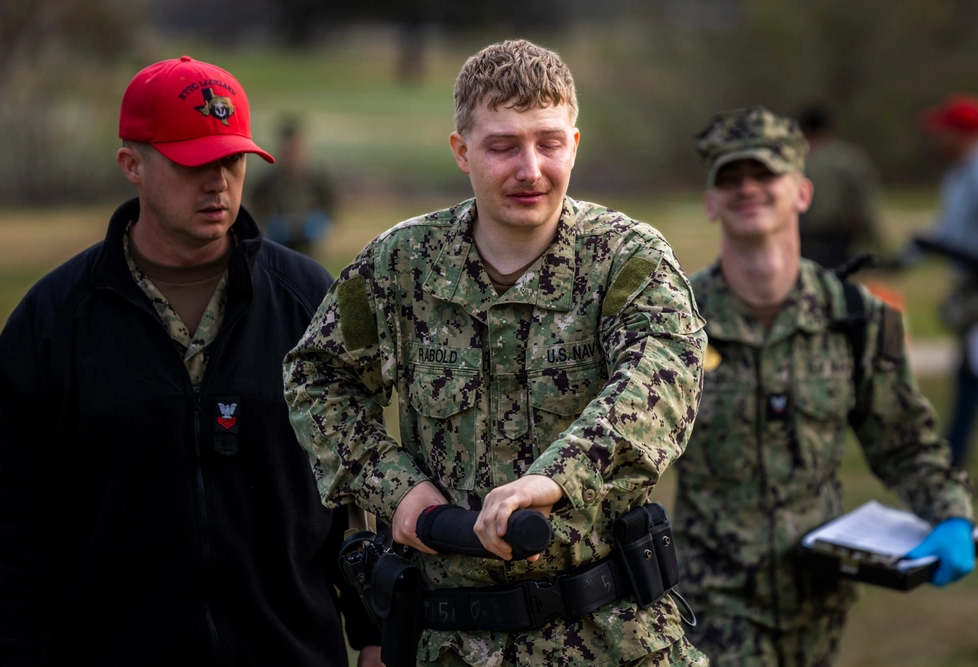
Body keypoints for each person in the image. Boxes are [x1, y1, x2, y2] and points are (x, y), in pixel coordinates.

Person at [284, 39, 709, 667]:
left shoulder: (628, 260)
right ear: (461, 151)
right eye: (503, 145)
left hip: (610, 637)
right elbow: (317, 379)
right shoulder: (401, 265)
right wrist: (395, 489)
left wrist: (555, 479)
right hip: (450, 640)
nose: (530, 169)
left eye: (549, 142)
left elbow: (661, 378)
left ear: (575, 143)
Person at [0, 56, 380, 666]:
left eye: (232, 159)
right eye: (193, 161)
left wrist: (377, 637)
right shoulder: (52, 323)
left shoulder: (309, 301)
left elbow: (359, 490)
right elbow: (4, 528)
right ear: (132, 165)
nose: (218, 181)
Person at [674, 106, 975, 666]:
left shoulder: (856, 318)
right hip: (710, 603)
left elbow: (905, 442)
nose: (748, 190)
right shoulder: (676, 322)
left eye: (765, 176)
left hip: (820, 601)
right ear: (711, 203)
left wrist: (952, 513)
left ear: (803, 193)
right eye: (730, 180)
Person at [914, 94, 978, 469]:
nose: (938, 139)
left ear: (961, 133)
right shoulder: (959, 172)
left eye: (944, 132)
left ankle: (953, 454)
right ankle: (954, 451)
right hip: (967, 286)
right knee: (967, 371)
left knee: (970, 374)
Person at [796, 104, 886, 269]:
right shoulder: (849, 158)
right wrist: (876, 243)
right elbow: (863, 205)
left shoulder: (795, 160)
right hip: (838, 240)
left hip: (802, 239)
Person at [249, 117, 337, 257]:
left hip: (308, 248)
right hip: (277, 247)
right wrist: (267, 224)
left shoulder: (316, 178)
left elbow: (332, 205)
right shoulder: (267, 181)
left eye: (296, 150)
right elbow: (254, 206)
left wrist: (321, 223)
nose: (292, 156)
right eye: (288, 151)